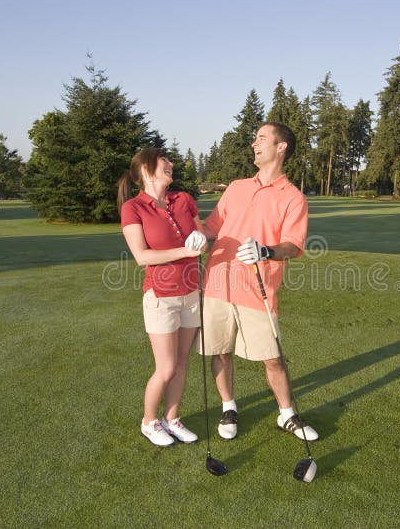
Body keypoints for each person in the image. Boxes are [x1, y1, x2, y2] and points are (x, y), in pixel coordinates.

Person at [201, 122, 319, 442]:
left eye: (262, 139)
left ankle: (287, 415)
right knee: (220, 351)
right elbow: (212, 226)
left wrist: (266, 251)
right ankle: (229, 407)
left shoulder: (293, 198)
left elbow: (293, 246)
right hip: (217, 284)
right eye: (255, 139)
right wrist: (197, 233)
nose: (254, 144)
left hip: (257, 290)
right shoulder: (237, 187)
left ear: (281, 148)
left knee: (273, 358)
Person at [118, 148, 208, 447]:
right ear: (146, 167)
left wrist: (201, 241)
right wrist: (186, 250)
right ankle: (149, 422)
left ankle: (172, 419)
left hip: (192, 292)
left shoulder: (183, 199)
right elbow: (142, 256)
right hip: (161, 296)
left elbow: (201, 234)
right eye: (165, 160)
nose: (171, 164)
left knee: (182, 363)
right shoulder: (133, 207)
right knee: (166, 367)